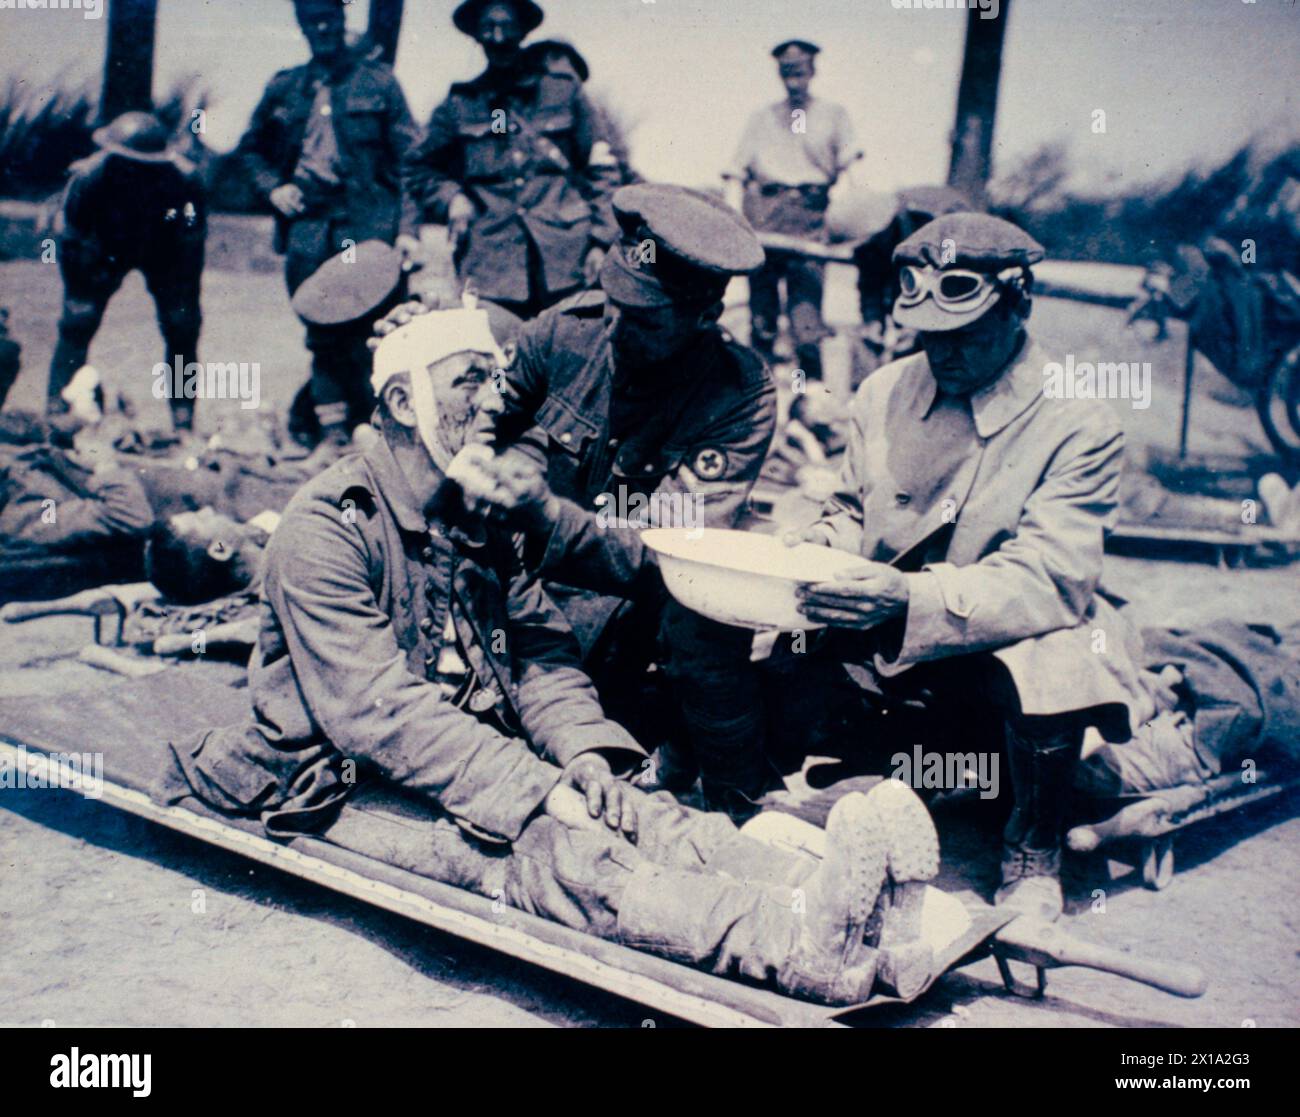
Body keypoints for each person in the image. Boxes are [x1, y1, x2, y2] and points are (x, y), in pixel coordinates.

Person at [158, 306, 941, 1005]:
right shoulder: (326, 526)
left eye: (497, 380)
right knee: (568, 860)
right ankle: (801, 946)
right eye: (469, 381)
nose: (493, 400)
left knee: (642, 814)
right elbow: (376, 712)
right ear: (403, 402)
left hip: (467, 760)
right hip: (340, 778)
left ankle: (856, 898)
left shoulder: (475, 511)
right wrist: (534, 788)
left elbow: (538, 650)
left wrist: (583, 753)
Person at [778, 213, 1154, 921]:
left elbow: (1051, 576)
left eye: (965, 336)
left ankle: (1033, 852)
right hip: (892, 654)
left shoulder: (1080, 418)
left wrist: (909, 597)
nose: (941, 355)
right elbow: (853, 508)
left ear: (1021, 307)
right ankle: (867, 782)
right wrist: (816, 543)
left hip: (993, 656)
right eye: (927, 336)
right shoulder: (883, 391)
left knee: (1062, 648)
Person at [415, 183, 782, 817]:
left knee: (706, 614)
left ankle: (739, 802)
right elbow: (487, 418)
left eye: (642, 318)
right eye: (613, 303)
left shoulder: (739, 395)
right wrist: (477, 463)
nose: (614, 328)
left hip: (642, 607)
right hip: (541, 596)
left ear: (703, 317)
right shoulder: (562, 329)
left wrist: (547, 513)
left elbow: (664, 556)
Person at [236, 0, 420, 453]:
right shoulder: (286, 88)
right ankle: (333, 436)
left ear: (342, 20)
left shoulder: (378, 83)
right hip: (309, 226)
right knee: (320, 332)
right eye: (312, 20)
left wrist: (409, 230)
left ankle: (385, 434)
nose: (322, 27)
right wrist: (274, 189)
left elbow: (412, 160)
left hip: (369, 224)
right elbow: (250, 149)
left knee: (383, 332)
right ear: (302, 25)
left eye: (330, 18)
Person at [404, 0, 619, 318]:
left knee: (572, 355)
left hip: (569, 262)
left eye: (507, 26)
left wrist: (602, 241)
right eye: (488, 27)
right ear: (476, 35)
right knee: (497, 361)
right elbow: (417, 165)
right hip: (493, 271)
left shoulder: (563, 91)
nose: (498, 37)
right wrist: (451, 198)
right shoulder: (461, 104)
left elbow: (602, 167)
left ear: (523, 31)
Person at [47, 112, 206, 431]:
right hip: (102, 246)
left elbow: (192, 239)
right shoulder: (89, 175)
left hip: (164, 247)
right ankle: (58, 410)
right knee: (78, 321)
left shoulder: (185, 180)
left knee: (182, 327)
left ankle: (183, 419)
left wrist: (182, 292)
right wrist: (84, 282)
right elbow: (71, 236)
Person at [727, 40, 858, 380]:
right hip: (765, 214)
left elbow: (850, 171)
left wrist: (845, 214)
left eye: (799, 71)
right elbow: (736, 172)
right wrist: (732, 217)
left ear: (812, 71)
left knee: (806, 318)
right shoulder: (761, 118)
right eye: (786, 73)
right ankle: (758, 395)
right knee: (762, 317)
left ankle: (810, 397)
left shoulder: (834, 115)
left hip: (810, 216)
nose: (793, 80)